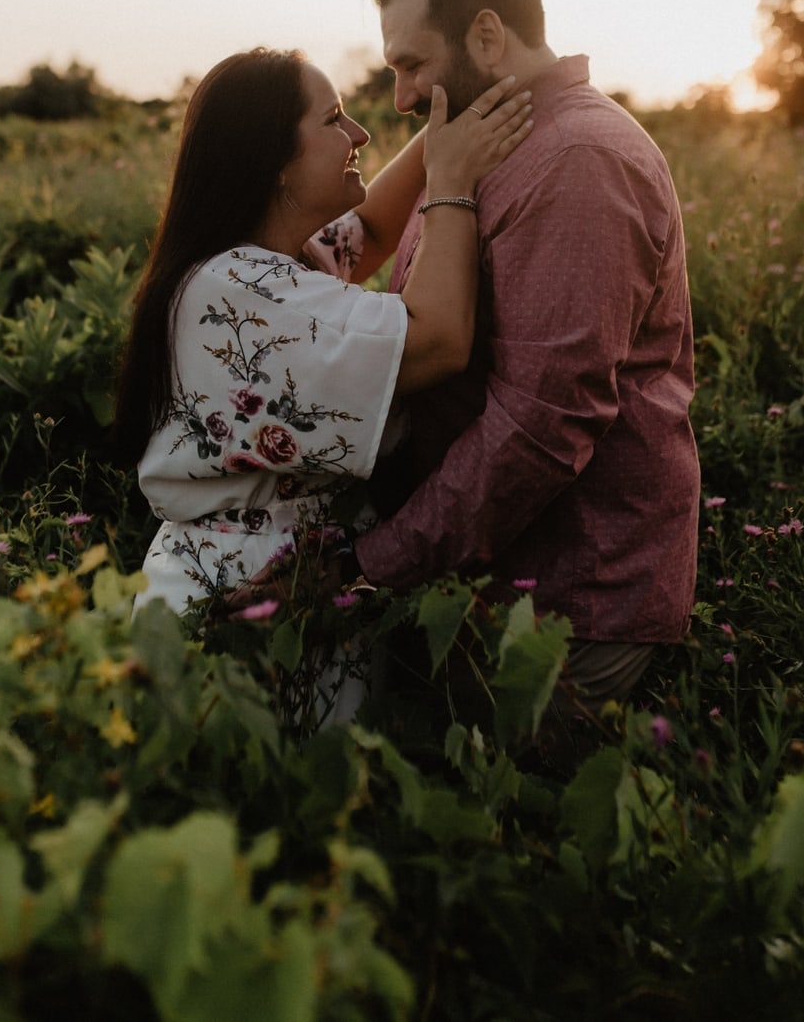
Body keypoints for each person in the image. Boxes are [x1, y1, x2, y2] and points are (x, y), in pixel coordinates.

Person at [344, 0, 701, 750]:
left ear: (486, 37)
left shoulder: (577, 160)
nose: (399, 97)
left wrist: (367, 566)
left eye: (410, 65)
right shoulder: (475, 142)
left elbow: (540, 428)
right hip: (477, 579)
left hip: (564, 608)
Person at [112, 46, 531, 721]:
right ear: (274, 161)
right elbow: (439, 339)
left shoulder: (275, 260)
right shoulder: (240, 289)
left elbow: (370, 229)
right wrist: (453, 182)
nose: (360, 134)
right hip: (240, 621)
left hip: (287, 601)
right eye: (334, 118)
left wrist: (463, 97)